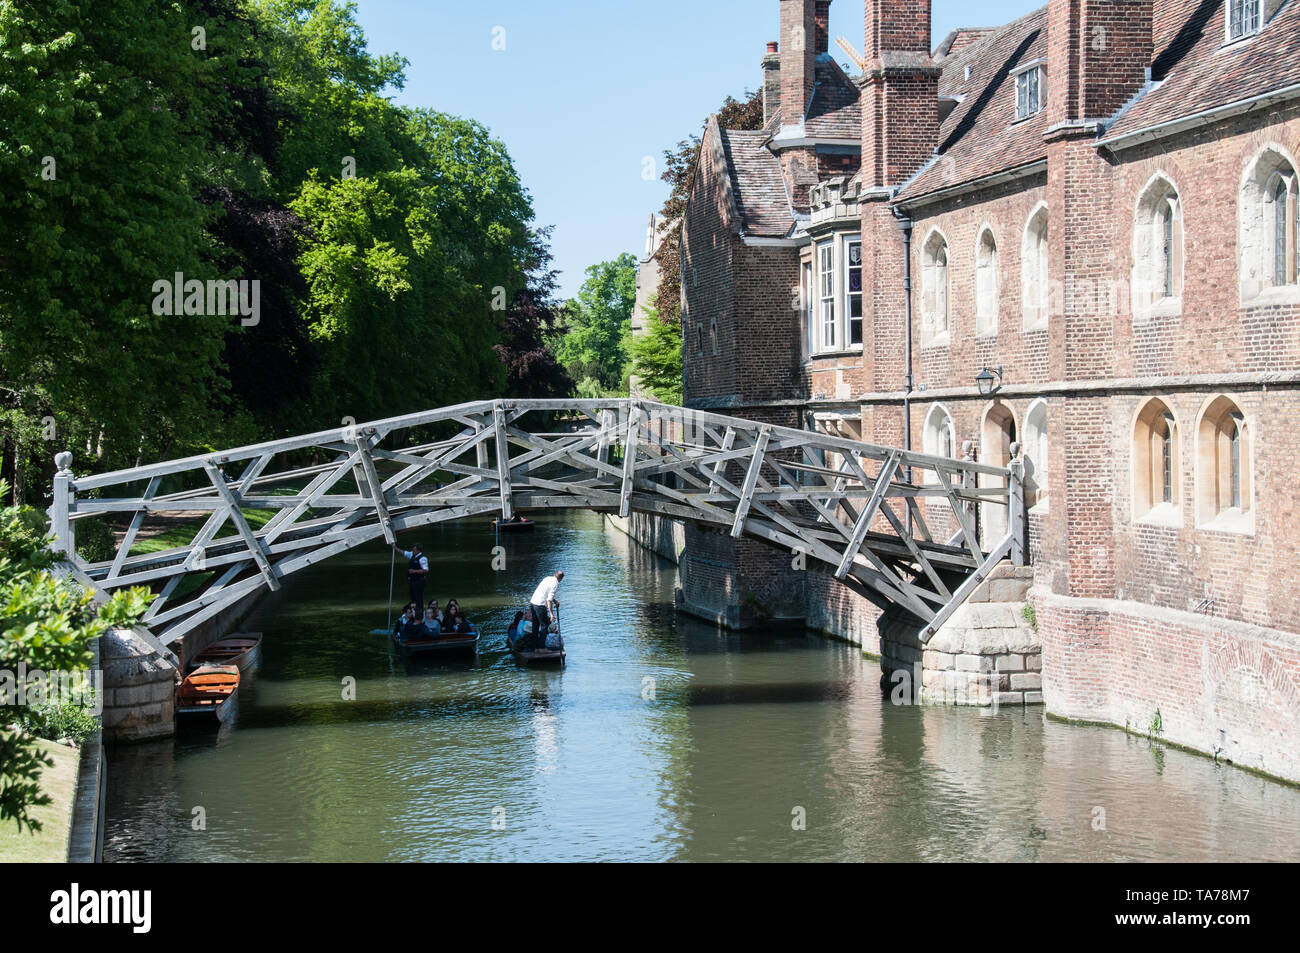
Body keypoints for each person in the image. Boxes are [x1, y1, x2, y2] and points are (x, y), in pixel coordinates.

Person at [528, 570, 563, 646]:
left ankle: (535, 646)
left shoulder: (547, 578)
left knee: (535, 625)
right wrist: (551, 614)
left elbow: (546, 593)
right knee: (544, 626)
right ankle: (541, 648)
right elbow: (548, 600)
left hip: (533, 602)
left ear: (554, 574)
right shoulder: (555, 584)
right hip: (540, 605)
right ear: (560, 579)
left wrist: (555, 601)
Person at [393, 542, 428, 609]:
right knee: (413, 597)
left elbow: (425, 570)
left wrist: (414, 571)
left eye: (414, 550)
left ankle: (419, 611)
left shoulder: (423, 558)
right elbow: (404, 552)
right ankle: (413, 610)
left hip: (419, 581)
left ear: (418, 550)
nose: (413, 551)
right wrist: (395, 548)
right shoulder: (412, 555)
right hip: (412, 581)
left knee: (418, 597)